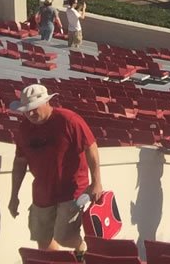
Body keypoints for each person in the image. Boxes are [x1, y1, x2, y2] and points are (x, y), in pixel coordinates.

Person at [8, 83, 103, 255]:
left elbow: (91, 147)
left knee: (65, 236)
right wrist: (14, 195)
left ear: (47, 103)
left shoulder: (69, 120)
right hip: (42, 193)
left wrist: (97, 182)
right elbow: (20, 162)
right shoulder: (24, 129)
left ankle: (82, 251)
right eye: (26, 110)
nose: (30, 113)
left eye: (34, 108)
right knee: (43, 240)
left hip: (71, 191)